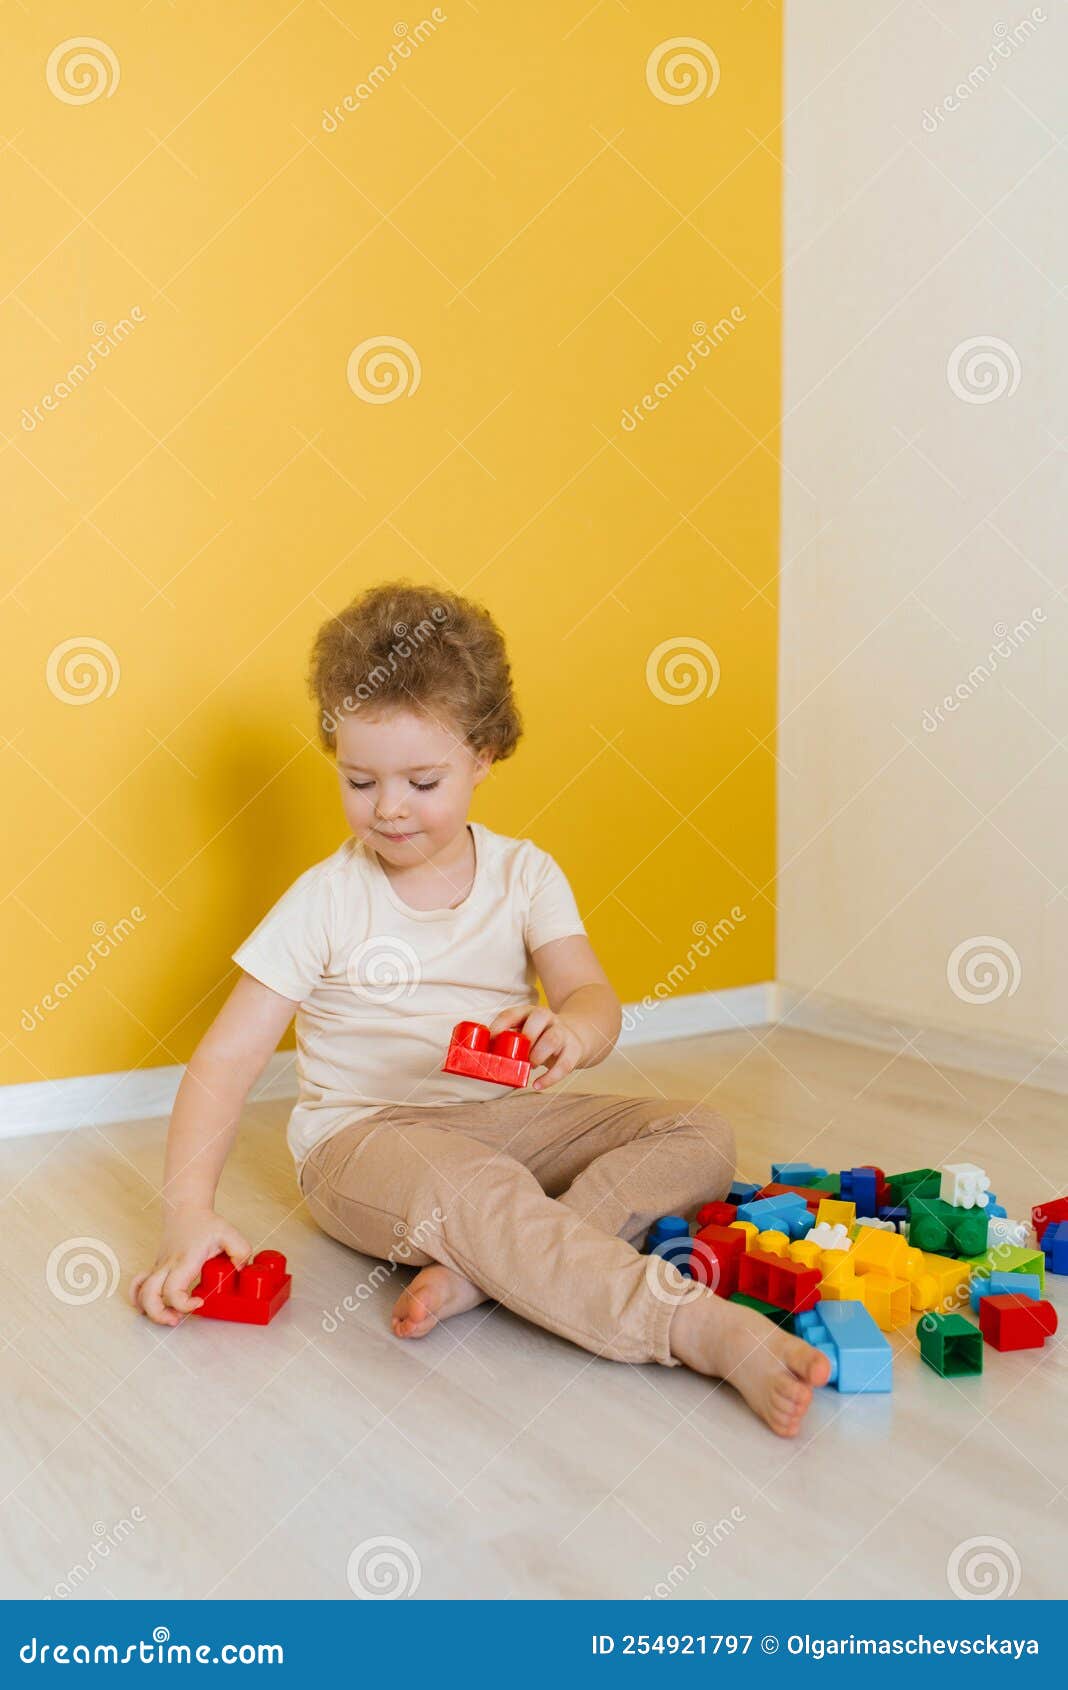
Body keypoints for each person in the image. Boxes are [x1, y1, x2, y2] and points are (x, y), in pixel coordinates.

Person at [130, 580, 829, 1436]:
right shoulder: (325, 900)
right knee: (478, 1188)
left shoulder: (525, 876)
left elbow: (591, 998)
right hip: (367, 1143)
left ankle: (491, 1265)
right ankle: (689, 1325)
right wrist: (187, 1215)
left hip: (505, 1123)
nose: (388, 807)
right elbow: (226, 1061)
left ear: (485, 755)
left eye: (422, 781)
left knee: (700, 1133)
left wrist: (570, 1031)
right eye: (359, 780)